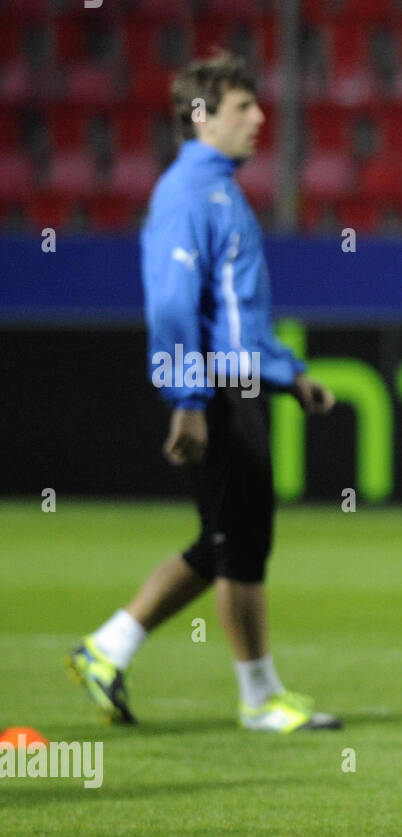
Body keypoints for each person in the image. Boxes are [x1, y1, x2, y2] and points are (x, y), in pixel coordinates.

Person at [68, 53, 340, 734]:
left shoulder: (220, 190)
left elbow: (238, 311)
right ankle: (258, 697)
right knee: (240, 540)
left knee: (227, 537)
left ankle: (109, 647)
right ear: (201, 117)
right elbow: (172, 305)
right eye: (243, 107)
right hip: (214, 386)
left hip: (236, 381)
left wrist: (288, 372)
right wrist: (187, 396)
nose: (260, 117)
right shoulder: (188, 192)